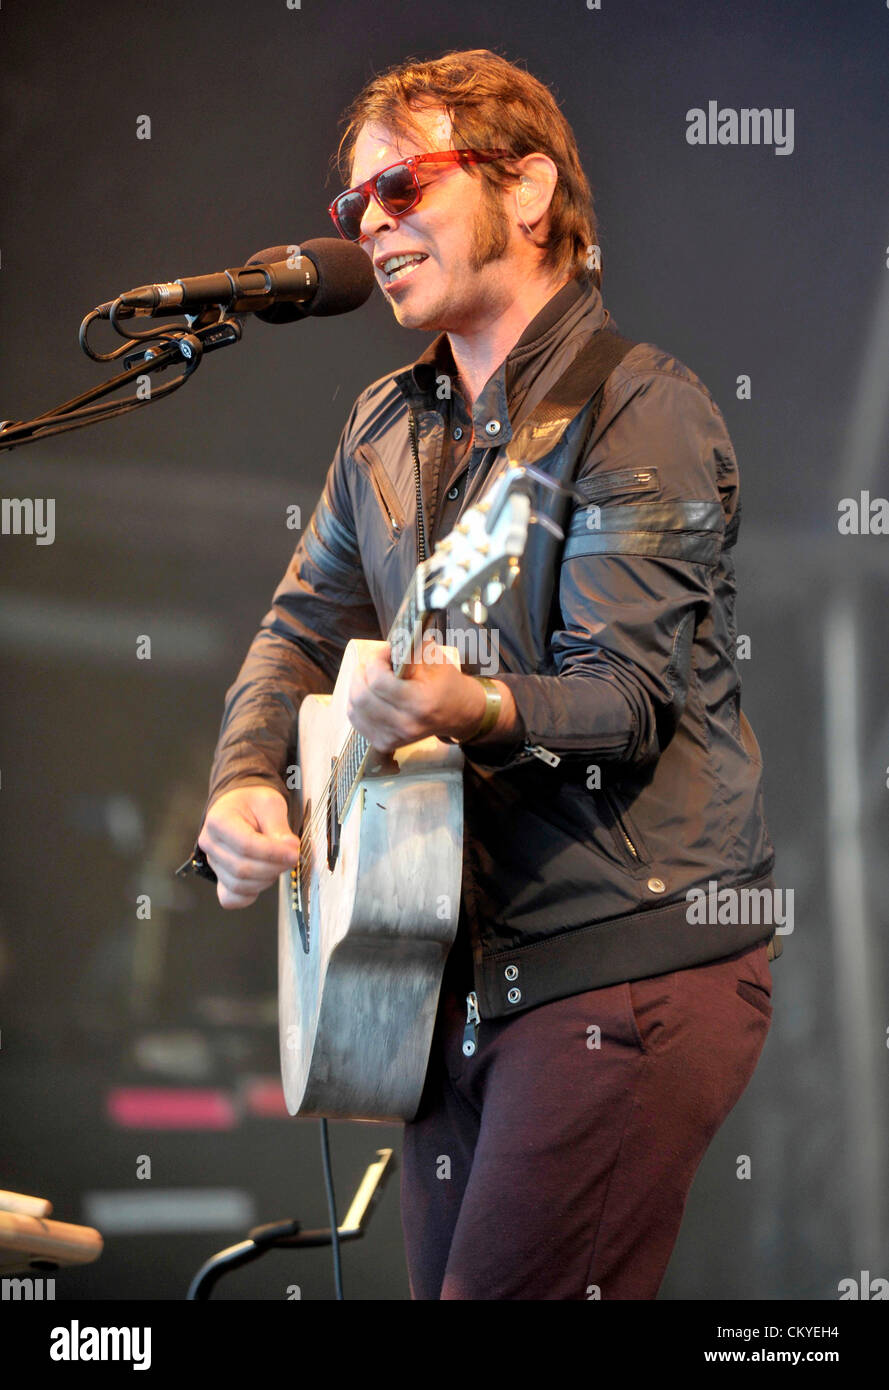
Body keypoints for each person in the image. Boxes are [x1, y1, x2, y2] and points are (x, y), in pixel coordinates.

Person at [179, 48, 781, 1300]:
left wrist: (479, 704)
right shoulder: (383, 428)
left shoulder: (639, 410)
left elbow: (622, 698)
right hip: (448, 982)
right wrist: (246, 779)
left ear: (529, 189)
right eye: (354, 208)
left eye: (403, 187)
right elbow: (295, 634)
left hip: (621, 961)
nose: (371, 226)